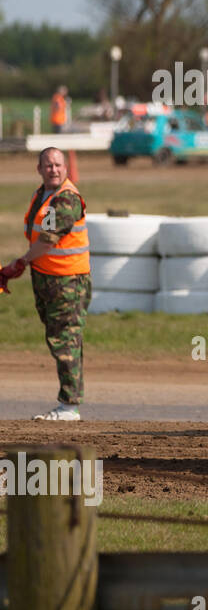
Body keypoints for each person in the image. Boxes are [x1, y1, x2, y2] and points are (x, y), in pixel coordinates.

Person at [1, 148, 92, 421]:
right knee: (60, 338)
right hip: (47, 281)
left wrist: (20, 263)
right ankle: (68, 403)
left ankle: (69, 406)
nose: (53, 169)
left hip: (67, 283)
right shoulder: (42, 195)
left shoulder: (65, 199)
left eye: (58, 165)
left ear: (66, 168)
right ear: (38, 169)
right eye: (48, 165)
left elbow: (48, 239)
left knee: (65, 340)